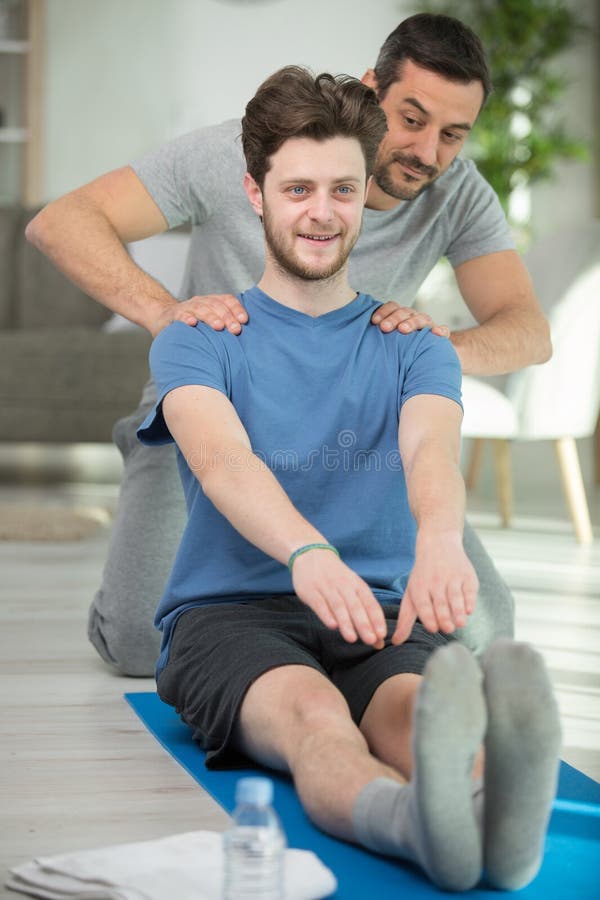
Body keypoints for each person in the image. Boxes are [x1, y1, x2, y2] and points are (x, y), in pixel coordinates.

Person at [137, 66, 561, 893]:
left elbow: (428, 451)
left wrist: (440, 539)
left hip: (379, 611)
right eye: (297, 189)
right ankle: (417, 829)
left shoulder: (415, 345)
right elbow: (223, 461)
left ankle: (493, 810)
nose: (322, 212)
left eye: (341, 189)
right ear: (255, 194)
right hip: (232, 616)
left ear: (364, 193)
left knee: (414, 713)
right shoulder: (197, 338)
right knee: (314, 720)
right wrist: (308, 555)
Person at [25, 13, 551, 676]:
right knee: (139, 641)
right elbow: (63, 222)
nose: (427, 152)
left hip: (357, 435)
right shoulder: (236, 155)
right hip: (213, 419)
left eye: (453, 134)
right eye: (412, 119)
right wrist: (167, 314)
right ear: (371, 91)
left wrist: (432, 345)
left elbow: (528, 330)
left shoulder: (458, 195)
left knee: (481, 629)